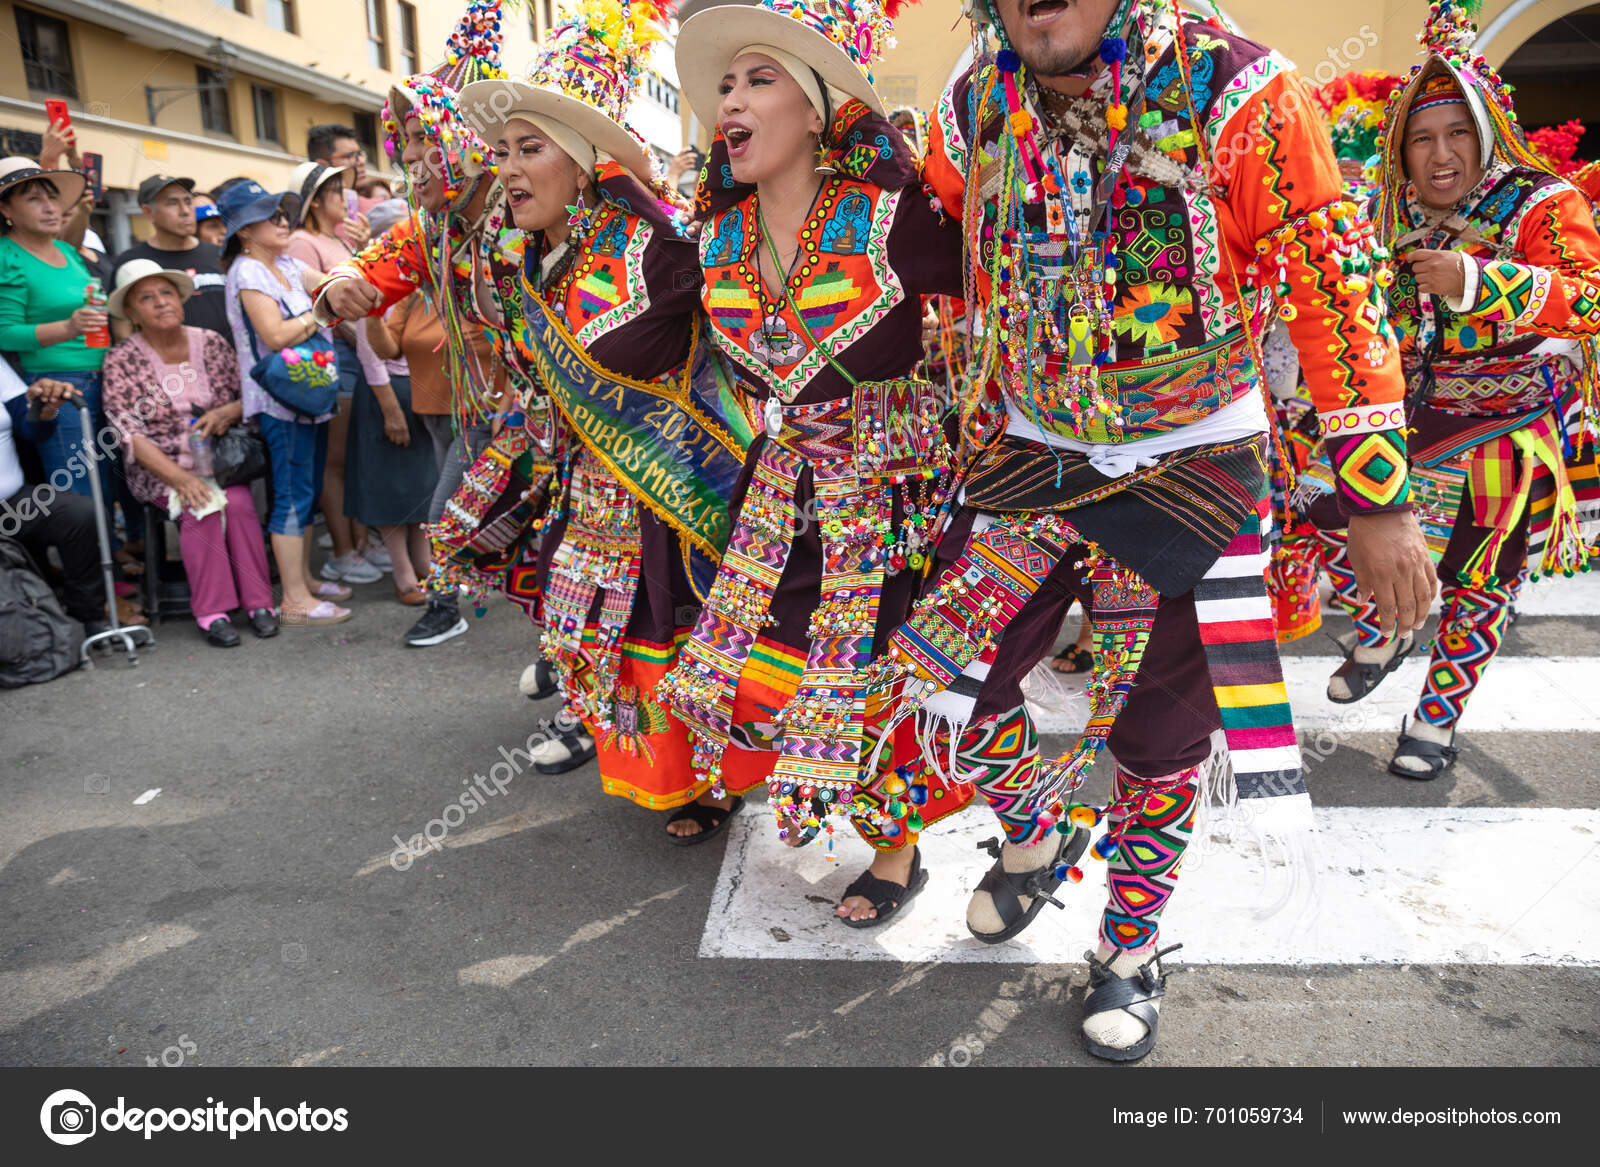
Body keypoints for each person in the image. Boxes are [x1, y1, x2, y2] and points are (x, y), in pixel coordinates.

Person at [869, 0, 1434, 1060]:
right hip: (1031, 454)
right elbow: (921, 254)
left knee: (1160, 740)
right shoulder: (970, 104)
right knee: (947, 674)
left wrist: (1380, 499)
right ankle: (1036, 837)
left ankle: (1128, 948)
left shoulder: (1241, 90)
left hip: (1195, 460)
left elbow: (1333, 288)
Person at [661, 0, 975, 913]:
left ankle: (898, 850)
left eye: (761, 80)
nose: (732, 101)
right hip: (778, 501)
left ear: (818, 111)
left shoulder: (894, 220)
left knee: (881, 679)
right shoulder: (713, 238)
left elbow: (1009, 281)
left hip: (890, 503)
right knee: (761, 662)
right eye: (725, 84)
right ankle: (774, 783)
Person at [459, 0, 762, 824]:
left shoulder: (658, 250)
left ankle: (721, 780)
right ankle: (673, 776)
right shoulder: (525, 262)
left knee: (684, 640)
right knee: (615, 648)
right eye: (501, 152)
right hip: (588, 492)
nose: (510, 168)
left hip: (676, 489)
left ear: (588, 162)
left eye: (530, 149)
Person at [1316, 1, 1600, 778]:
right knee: (1318, 505)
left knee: (1481, 576)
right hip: (1416, 412)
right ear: (1399, 148)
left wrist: (1482, 280)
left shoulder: (1542, 203)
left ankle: (1435, 720)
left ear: (1486, 135)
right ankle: (1391, 619)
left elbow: (1592, 294)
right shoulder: (1382, 210)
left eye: (1458, 135)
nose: (1440, 156)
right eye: (1421, 138)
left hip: (1514, 425)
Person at [315, 0, 535, 650]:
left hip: (556, 410)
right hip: (478, 409)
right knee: (461, 515)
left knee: (519, 527)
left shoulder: (523, 206)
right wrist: (338, 290)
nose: (411, 155)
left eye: (423, 138)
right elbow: (361, 270)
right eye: (404, 140)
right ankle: (465, 610)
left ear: (464, 141)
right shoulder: (428, 230)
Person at [100, 260, 277, 646]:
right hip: (162, 469)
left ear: (180, 299)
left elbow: (244, 397)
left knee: (242, 505)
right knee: (200, 505)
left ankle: (259, 604)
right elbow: (130, 435)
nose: (161, 303)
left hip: (222, 462)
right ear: (131, 313)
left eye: (166, 293)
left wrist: (226, 412)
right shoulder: (122, 359)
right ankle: (212, 612)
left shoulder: (211, 342)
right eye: (146, 298)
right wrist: (181, 479)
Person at [219, 179, 354, 627]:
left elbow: (337, 281)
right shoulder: (247, 270)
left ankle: (306, 579)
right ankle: (294, 597)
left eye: (282, 212)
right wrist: (319, 313)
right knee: (293, 495)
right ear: (243, 230)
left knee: (308, 489)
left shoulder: (288, 265)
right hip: (280, 398)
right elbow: (274, 336)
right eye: (269, 215)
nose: (282, 220)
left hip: (310, 391)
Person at [285, 159, 390, 586]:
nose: (345, 200)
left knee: (358, 456)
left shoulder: (338, 240)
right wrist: (352, 329)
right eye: (334, 193)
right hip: (336, 359)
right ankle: (343, 550)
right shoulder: (301, 242)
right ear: (313, 200)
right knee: (336, 459)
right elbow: (320, 305)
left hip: (363, 357)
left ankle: (363, 542)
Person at [0, 157, 116, 518]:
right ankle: (94, 572)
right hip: (57, 388)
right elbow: (5, 333)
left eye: (52, 196)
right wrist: (68, 328)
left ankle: (117, 560)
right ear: (6, 209)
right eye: (33, 199)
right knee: (79, 493)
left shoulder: (66, 249)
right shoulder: (7, 256)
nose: (50, 207)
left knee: (108, 485)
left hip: (103, 378)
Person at [351, 204, 440, 607]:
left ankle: (423, 560)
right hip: (385, 390)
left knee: (422, 482)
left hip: (418, 386)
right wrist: (390, 409)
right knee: (390, 485)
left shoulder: (426, 274)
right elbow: (371, 352)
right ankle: (402, 568)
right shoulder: (368, 279)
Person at [1, 357, 111, 633]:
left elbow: (31, 428)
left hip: (11, 505)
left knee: (80, 513)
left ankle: (88, 618)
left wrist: (45, 408)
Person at [110, 175, 231, 342]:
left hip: (230, 361)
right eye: (172, 203)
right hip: (168, 365)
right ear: (148, 212)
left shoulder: (221, 254)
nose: (185, 211)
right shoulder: (131, 263)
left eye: (188, 202)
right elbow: (122, 330)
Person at [305, 124, 374, 253]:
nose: (361, 161)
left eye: (360, 154)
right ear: (322, 165)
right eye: (349, 156)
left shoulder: (371, 205)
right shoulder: (304, 238)